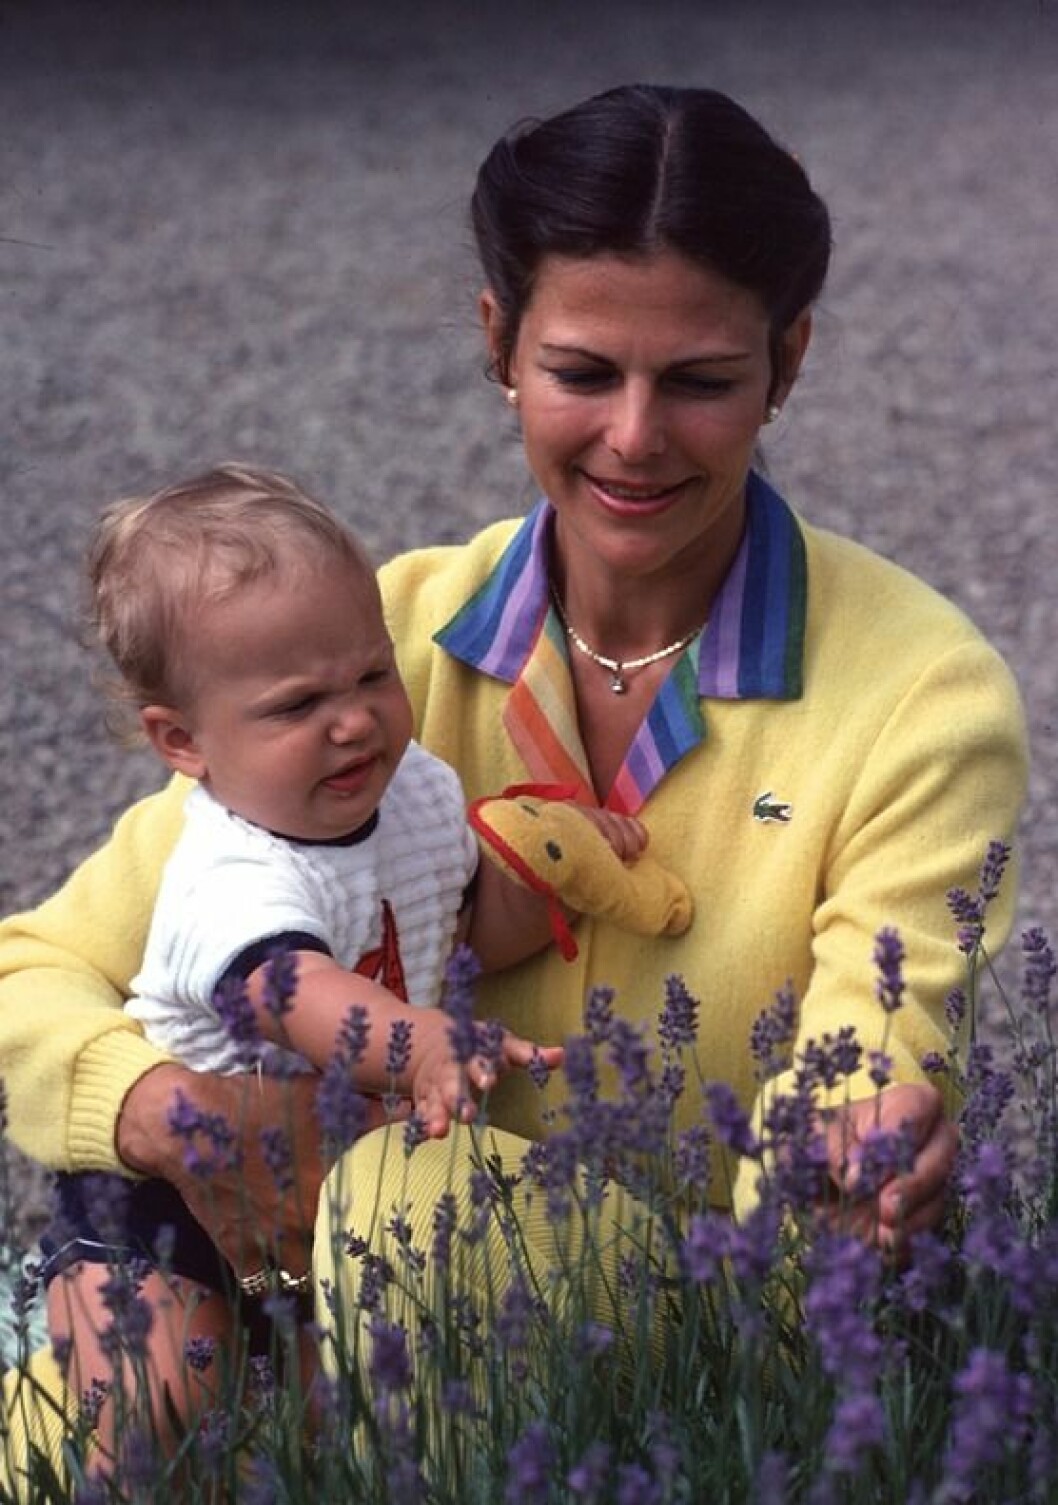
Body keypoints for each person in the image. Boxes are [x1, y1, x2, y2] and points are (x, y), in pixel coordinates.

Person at [0, 82, 1027, 1466]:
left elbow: (869, 1062)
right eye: (583, 371)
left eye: (703, 381)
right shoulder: (378, 639)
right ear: (498, 341)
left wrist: (858, 1158)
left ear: (786, 362)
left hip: (668, 1335)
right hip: (291, 1281)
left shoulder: (920, 694)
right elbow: (41, 968)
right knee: (82, 1413)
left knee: (408, 1217)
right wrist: (162, 1114)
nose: (634, 436)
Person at [38, 461, 650, 1455]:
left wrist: (546, 874)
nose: (355, 717)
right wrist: (421, 1049)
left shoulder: (409, 788)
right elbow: (292, 991)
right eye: (296, 704)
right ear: (181, 739)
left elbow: (461, 928)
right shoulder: (232, 866)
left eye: (371, 673)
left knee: (344, 1415)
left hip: (335, 1181)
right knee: (153, 1406)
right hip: (159, 1206)